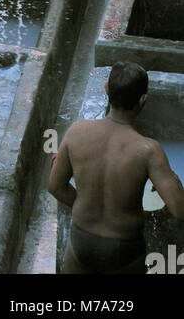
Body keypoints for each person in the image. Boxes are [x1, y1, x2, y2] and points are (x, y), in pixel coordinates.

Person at [49, 61, 184, 274]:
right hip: (124, 248)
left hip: (82, 238)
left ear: (106, 89)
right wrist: (171, 179)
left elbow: (56, 187)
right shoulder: (149, 150)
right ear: (143, 100)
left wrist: (87, 204)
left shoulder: (76, 132)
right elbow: (179, 209)